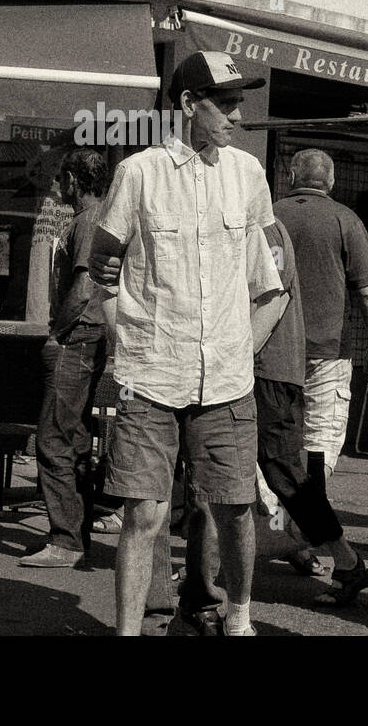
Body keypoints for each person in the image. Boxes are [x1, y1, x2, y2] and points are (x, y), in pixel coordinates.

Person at [89, 51, 284, 637]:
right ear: (187, 106)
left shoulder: (248, 174)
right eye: (223, 102)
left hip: (226, 378)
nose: (236, 113)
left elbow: (269, 283)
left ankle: (239, 615)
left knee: (233, 507)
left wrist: (241, 352)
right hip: (151, 377)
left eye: (237, 102)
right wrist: (128, 344)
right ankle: (126, 632)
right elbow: (101, 268)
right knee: (143, 513)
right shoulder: (139, 172)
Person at [273, 149, 368, 498]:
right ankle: (305, 518)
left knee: (276, 439)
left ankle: (279, 519)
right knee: (320, 440)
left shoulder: (268, 216)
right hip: (330, 352)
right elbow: (367, 292)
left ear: (291, 177)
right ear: (332, 180)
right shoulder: (345, 219)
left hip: (272, 349)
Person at [21, 148, 111, 568]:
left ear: (75, 181)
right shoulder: (91, 220)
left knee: (53, 438)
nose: (58, 187)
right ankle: (75, 536)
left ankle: (66, 540)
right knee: (72, 439)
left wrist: (56, 333)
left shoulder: (88, 221)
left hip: (78, 339)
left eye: (62, 179)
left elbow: (84, 286)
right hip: (86, 337)